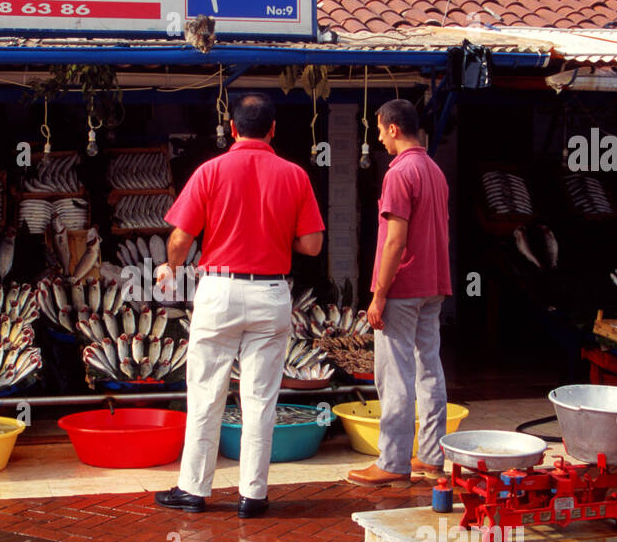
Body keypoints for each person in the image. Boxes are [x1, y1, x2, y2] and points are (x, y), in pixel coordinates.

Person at [153, 93, 325, 518]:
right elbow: (312, 245)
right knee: (260, 397)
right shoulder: (295, 175)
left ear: (232, 129)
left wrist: (170, 268)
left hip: (220, 289)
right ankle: (253, 495)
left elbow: (180, 238)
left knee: (206, 391)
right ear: (272, 129)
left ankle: (193, 491)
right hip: (271, 294)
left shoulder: (210, 171)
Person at [348, 99, 452, 487]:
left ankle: (392, 461)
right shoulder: (435, 171)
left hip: (403, 286)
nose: (379, 139)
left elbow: (395, 241)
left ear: (394, 128)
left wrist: (378, 293)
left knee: (395, 373)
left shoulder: (399, 173)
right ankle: (431, 454)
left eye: (378, 130)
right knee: (429, 369)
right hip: (434, 284)